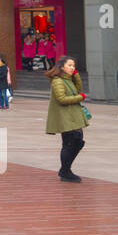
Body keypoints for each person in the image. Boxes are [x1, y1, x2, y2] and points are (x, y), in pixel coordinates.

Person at [46, 55, 88, 183]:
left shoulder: (68, 80)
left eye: (73, 66)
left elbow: (78, 89)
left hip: (72, 116)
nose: (72, 68)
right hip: (65, 117)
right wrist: (80, 98)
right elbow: (62, 99)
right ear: (62, 67)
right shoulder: (58, 81)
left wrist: (76, 75)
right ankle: (65, 171)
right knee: (70, 143)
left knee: (78, 141)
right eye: (69, 65)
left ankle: (65, 170)